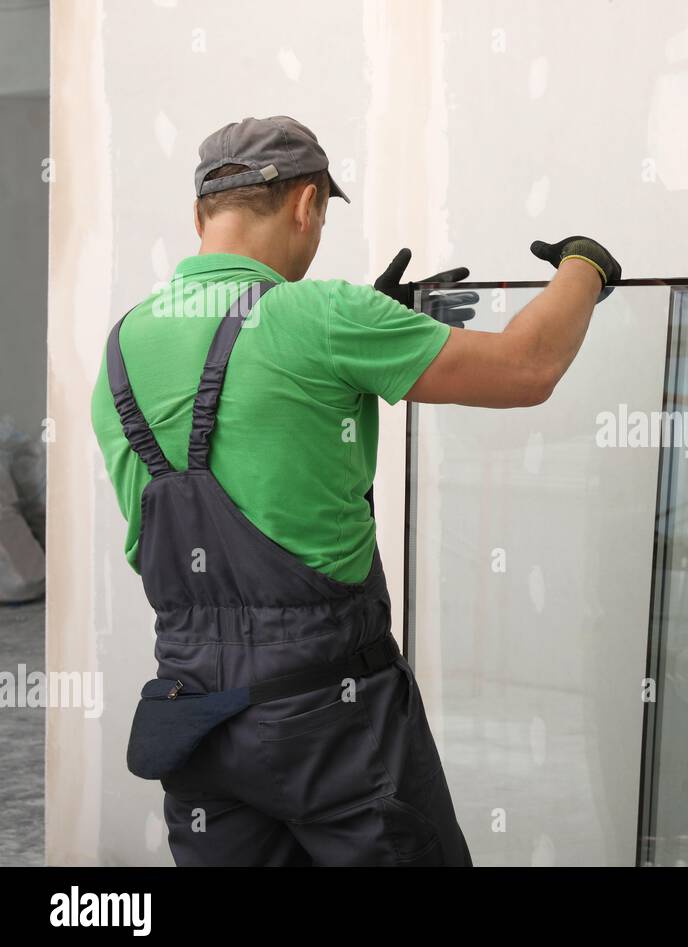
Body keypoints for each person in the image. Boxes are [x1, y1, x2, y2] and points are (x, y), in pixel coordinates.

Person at [89, 114, 620, 866]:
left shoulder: (123, 342)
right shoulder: (322, 314)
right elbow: (526, 367)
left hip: (196, 716)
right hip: (335, 722)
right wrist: (584, 266)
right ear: (307, 204)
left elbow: (259, 429)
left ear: (201, 214)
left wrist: (368, 343)